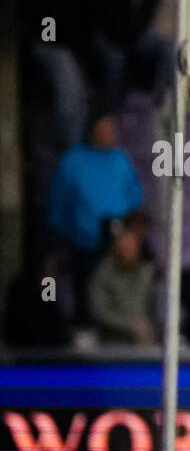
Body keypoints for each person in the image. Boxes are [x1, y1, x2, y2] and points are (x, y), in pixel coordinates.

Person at [47, 114, 142, 322]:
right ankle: (84, 325)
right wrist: (68, 232)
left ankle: (125, 324)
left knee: (119, 281)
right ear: (91, 131)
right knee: (84, 285)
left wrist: (129, 228)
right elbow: (60, 202)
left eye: (110, 129)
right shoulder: (72, 161)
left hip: (116, 235)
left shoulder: (120, 159)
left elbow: (134, 193)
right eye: (102, 129)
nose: (107, 134)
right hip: (85, 239)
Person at [88, 224, 155, 346]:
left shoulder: (147, 272)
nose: (127, 247)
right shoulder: (104, 272)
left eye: (131, 243)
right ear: (116, 245)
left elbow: (156, 306)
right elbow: (99, 310)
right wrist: (129, 325)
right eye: (124, 243)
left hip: (145, 344)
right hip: (114, 342)